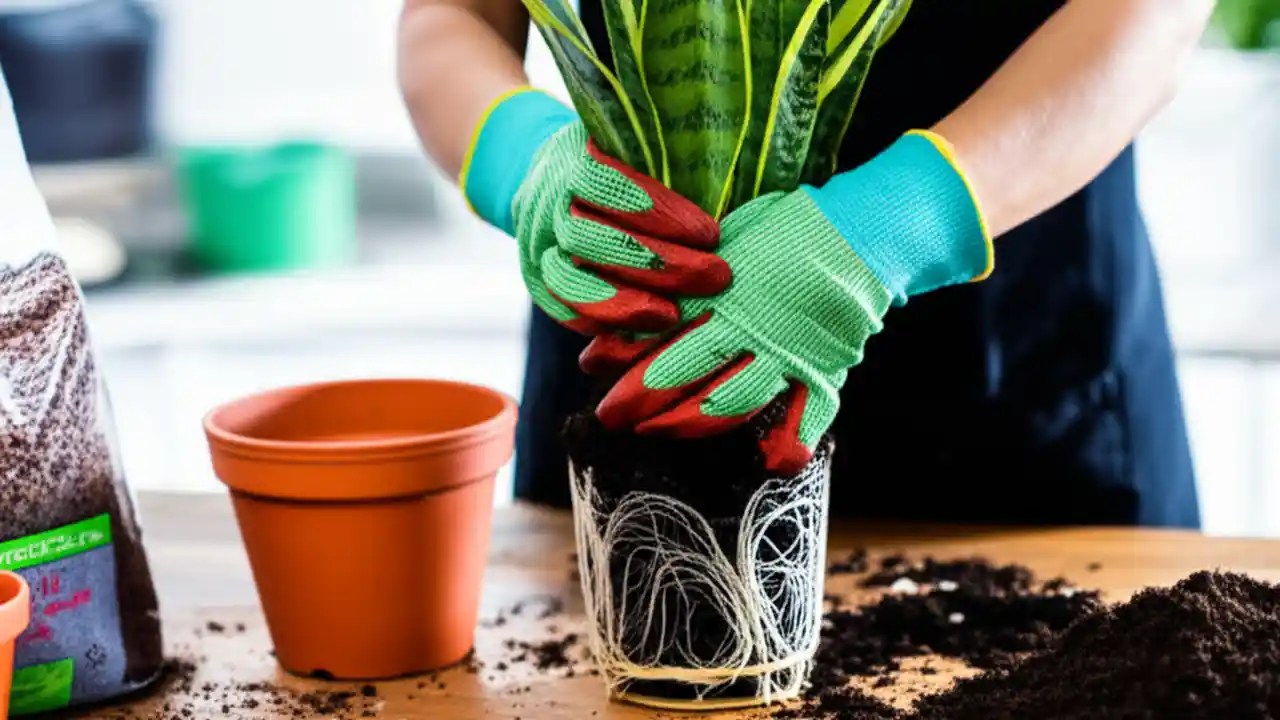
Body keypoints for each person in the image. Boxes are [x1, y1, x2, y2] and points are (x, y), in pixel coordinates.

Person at [398, 0, 1213, 528]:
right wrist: (524, 162)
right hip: (640, 333)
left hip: (1019, 391)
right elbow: (449, 16)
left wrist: (902, 219)